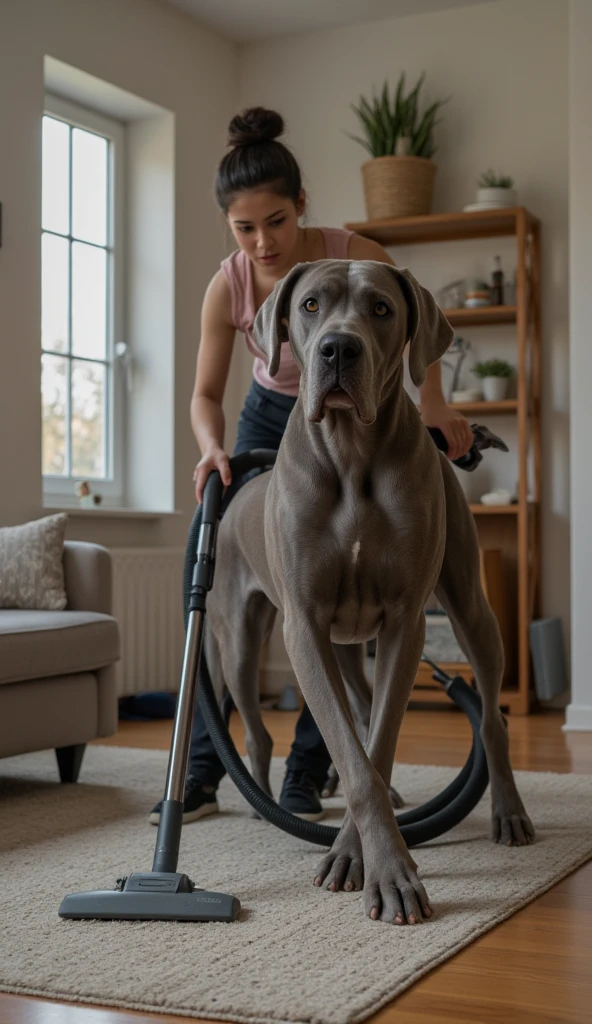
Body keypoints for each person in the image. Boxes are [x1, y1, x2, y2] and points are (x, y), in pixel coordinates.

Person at [149, 107, 472, 827]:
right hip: (273, 419)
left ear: (302, 207)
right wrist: (210, 449)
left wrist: (435, 406)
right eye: (245, 227)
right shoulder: (229, 285)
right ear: (230, 228)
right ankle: (203, 768)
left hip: (369, 409)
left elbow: (415, 329)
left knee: (321, 602)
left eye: (276, 221)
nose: (263, 241)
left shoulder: (355, 253)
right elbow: (205, 394)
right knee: (206, 569)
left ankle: (308, 771)